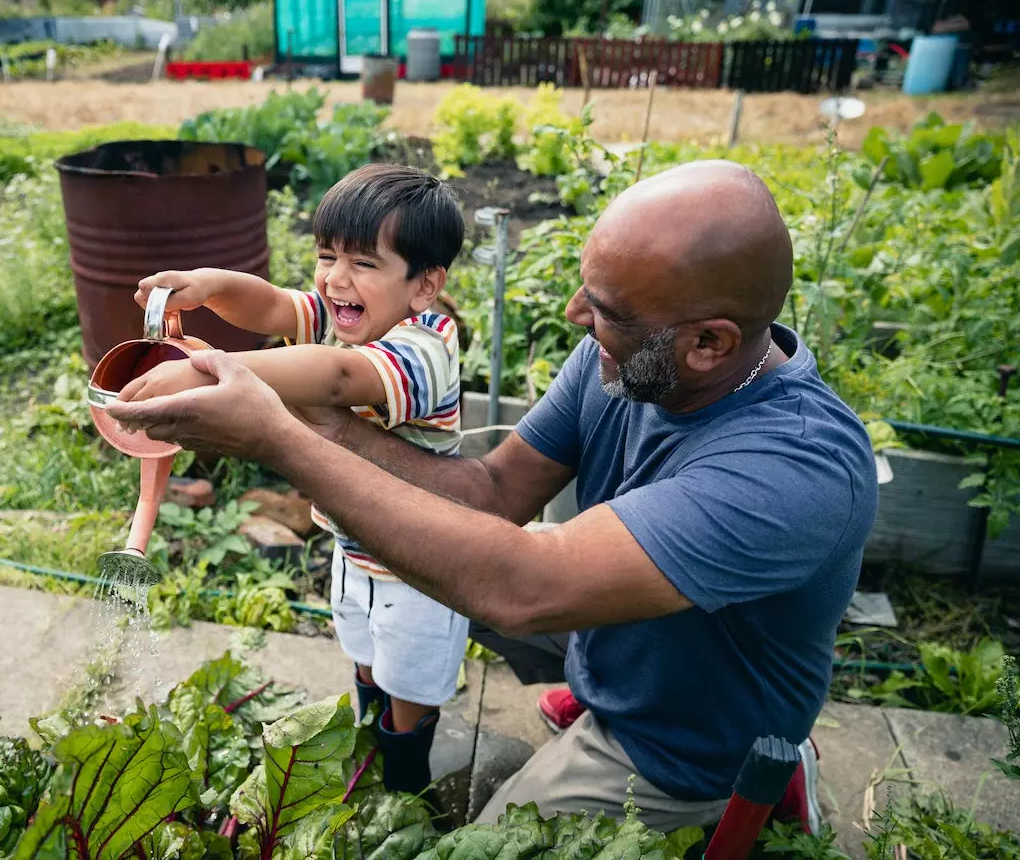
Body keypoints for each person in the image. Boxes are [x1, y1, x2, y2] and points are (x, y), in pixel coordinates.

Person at [105, 160, 880, 835]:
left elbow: (522, 587)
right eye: (589, 290)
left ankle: (763, 785)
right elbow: (491, 494)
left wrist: (274, 431)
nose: (578, 317)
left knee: (485, 836)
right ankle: (589, 686)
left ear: (709, 342)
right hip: (608, 634)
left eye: (607, 311)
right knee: (433, 574)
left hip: (681, 739)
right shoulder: (626, 359)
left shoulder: (794, 467)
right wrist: (289, 408)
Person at [117, 163, 470, 799]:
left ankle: (406, 781)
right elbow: (275, 305)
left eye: (364, 263)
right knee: (364, 653)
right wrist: (209, 286)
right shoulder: (346, 316)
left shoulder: (424, 350)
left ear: (424, 285)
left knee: (410, 681)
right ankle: (369, 739)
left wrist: (208, 373)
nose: (336, 278)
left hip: (424, 564)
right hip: (353, 547)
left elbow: (339, 378)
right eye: (327, 255)